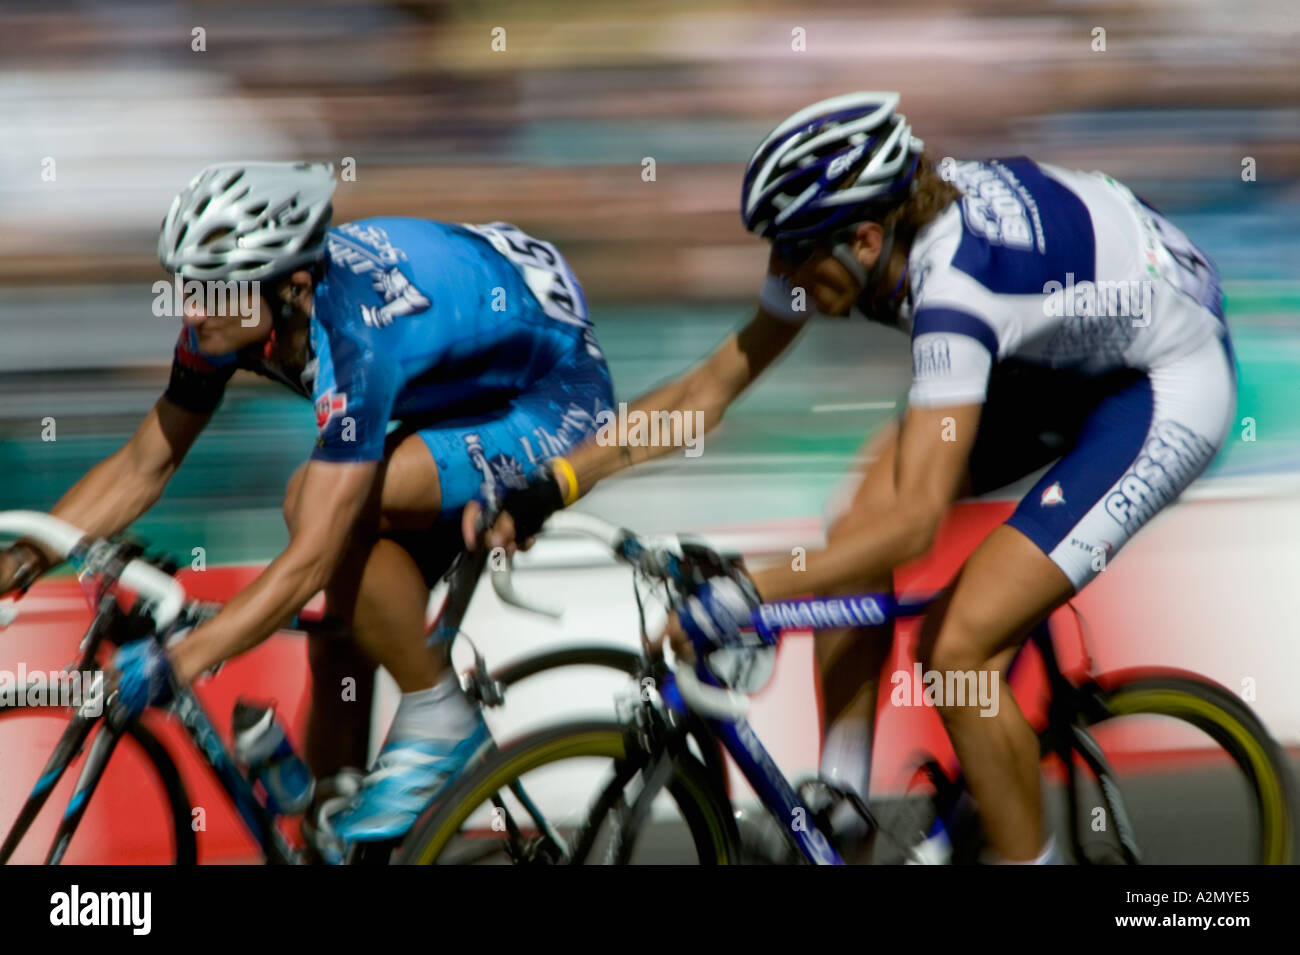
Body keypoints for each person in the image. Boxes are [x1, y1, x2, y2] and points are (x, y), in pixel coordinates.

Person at [469, 91, 1235, 863]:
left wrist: (747, 592)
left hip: (1163, 382)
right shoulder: (855, 242)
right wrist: (558, 481)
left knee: (957, 652)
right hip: (1062, 349)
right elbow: (707, 392)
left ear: (866, 240)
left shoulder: (955, 294)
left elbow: (916, 525)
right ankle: (841, 804)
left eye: (793, 252)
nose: (781, 274)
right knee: (855, 526)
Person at [0, 161, 614, 857]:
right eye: (186, 287)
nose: (192, 311)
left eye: (213, 292)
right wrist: (30, 555)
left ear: (291, 289)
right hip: (462, 380)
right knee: (339, 642)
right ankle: (335, 831)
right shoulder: (236, 317)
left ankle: (440, 712)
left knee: (316, 508)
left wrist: (180, 660)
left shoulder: (356, 339)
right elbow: (147, 462)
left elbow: (309, 556)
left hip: (554, 401)